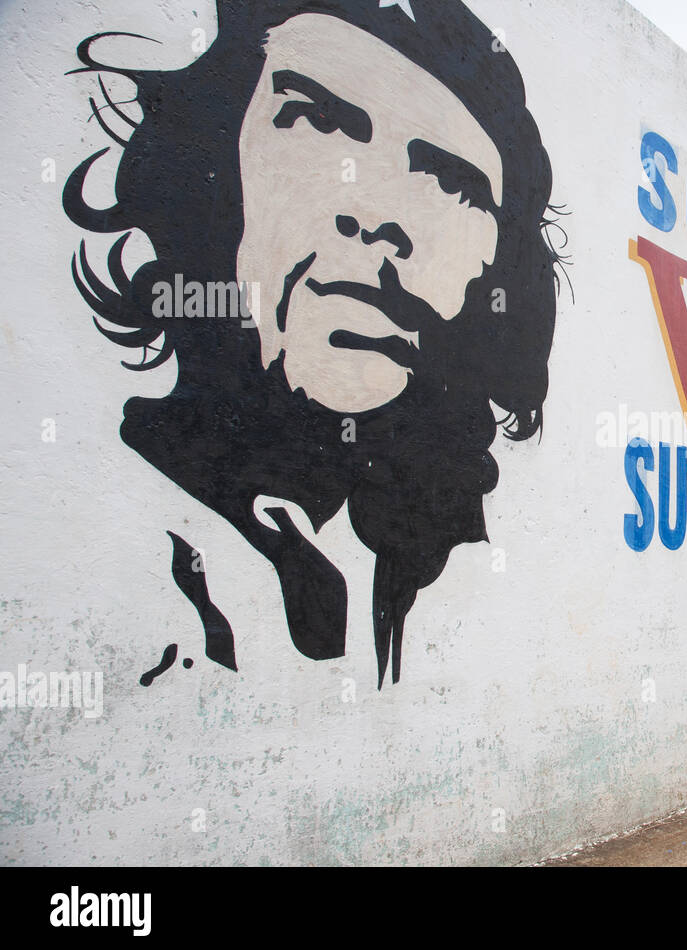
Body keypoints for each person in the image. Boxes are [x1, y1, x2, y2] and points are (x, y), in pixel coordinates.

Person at [63, 0, 562, 688]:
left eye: (452, 181)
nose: (380, 216)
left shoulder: (434, 547)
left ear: (498, 275)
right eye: (319, 119)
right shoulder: (129, 553)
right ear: (219, 156)